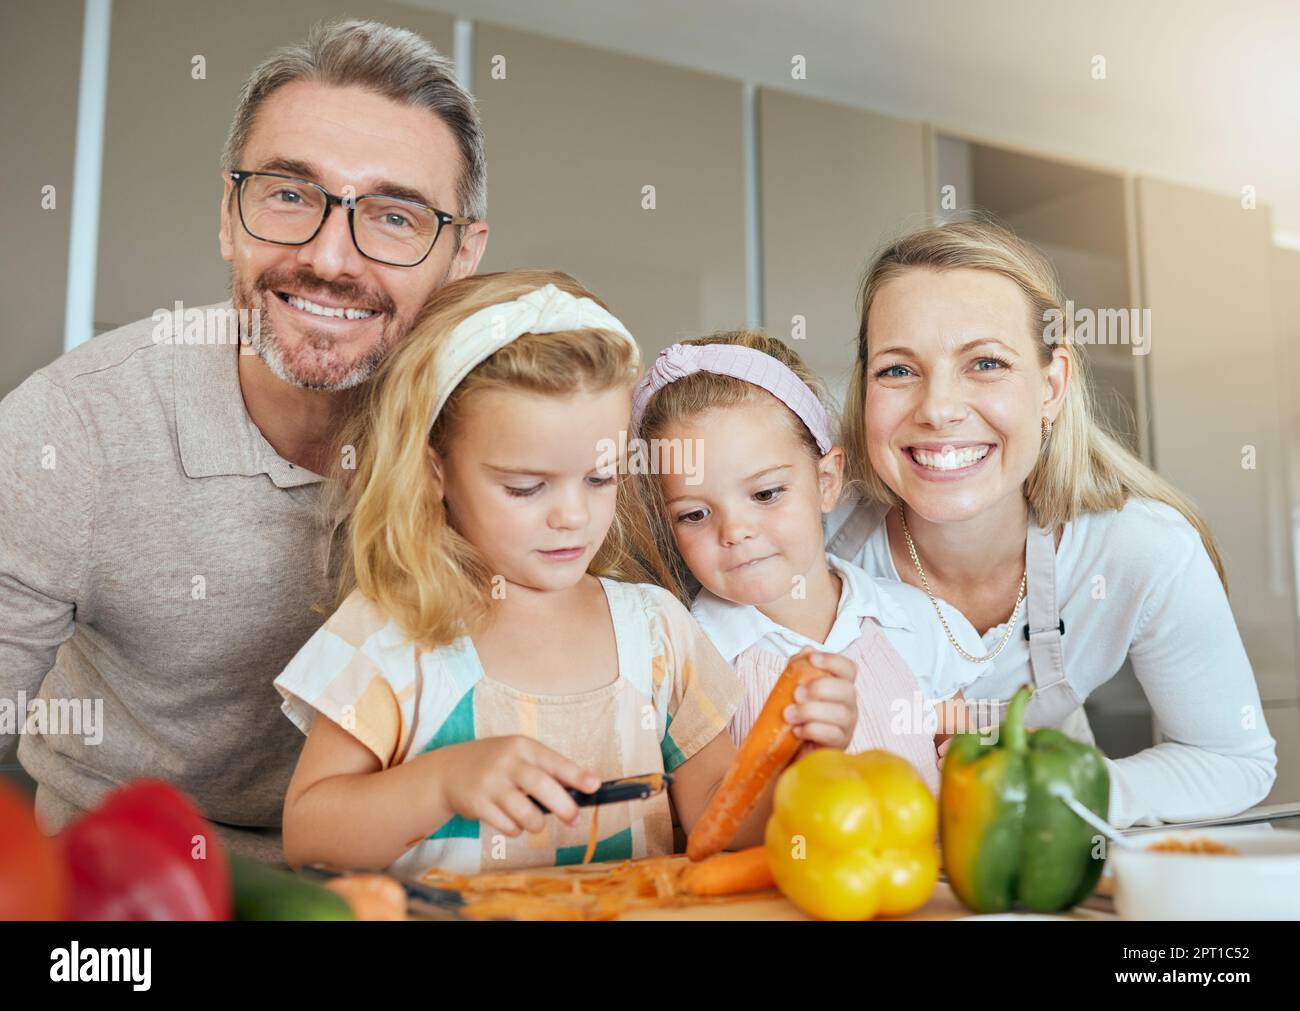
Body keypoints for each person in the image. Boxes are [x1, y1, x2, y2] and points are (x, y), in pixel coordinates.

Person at [0, 19, 488, 859]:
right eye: (290, 195)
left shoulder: (504, 438)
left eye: (396, 216)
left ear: (462, 257)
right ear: (231, 215)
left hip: (407, 882)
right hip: (131, 883)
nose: (332, 257)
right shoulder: (71, 428)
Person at [273, 272, 859, 874]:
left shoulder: (657, 631)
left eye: (600, 479)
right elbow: (310, 835)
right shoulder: (390, 635)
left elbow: (719, 821)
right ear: (434, 472)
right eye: (526, 487)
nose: (573, 516)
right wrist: (440, 783)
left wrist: (799, 765)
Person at [828, 219, 1276, 827]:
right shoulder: (813, 544)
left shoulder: (1140, 549)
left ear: (1052, 384)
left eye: (985, 363)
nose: (936, 409)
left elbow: (1231, 758)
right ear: (864, 391)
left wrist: (1058, 791)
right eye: (898, 370)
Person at [629, 331, 985, 795]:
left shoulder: (915, 622)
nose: (734, 531)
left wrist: (973, 752)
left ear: (826, 480)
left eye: (765, 494)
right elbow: (704, 819)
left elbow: (965, 753)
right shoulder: (688, 657)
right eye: (694, 514)